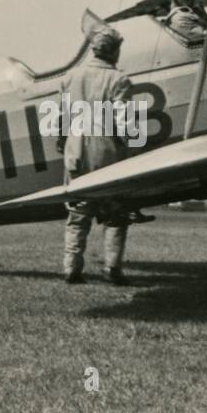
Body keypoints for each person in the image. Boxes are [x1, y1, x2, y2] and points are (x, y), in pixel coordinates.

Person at [57, 26, 134, 285]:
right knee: (116, 212)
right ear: (113, 50)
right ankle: (112, 268)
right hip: (107, 151)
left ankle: (71, 268)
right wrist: (129, 147)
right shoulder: (119, 79)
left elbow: (61, 119)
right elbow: (124, 122)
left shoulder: (70, 77)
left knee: (78, 212)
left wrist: (64, 144)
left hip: (75, 150)